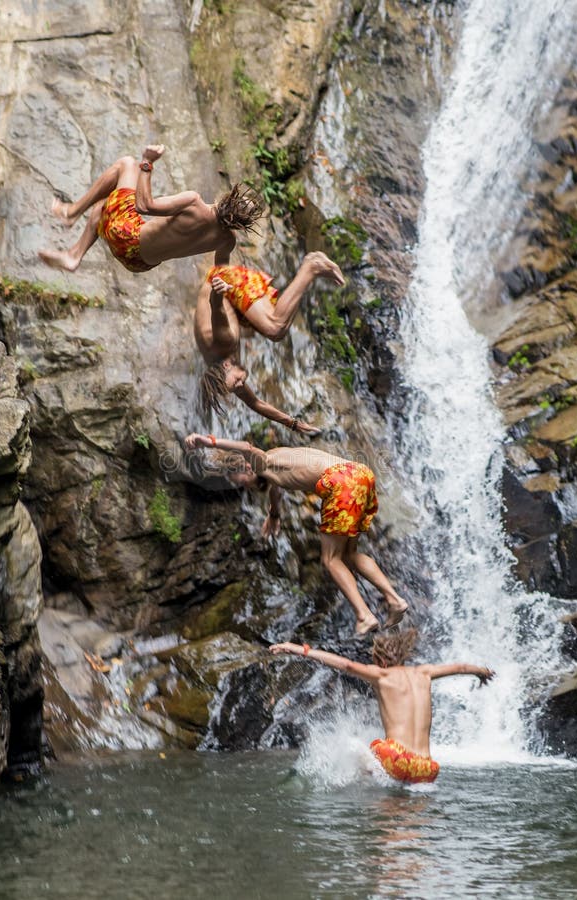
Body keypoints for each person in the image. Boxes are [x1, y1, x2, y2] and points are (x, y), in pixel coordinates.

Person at [183, 433, 408, 634]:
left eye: (239, 481)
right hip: (360, 475)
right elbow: (276, 491)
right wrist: (274, 515)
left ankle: (364, 615)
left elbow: (245, 447)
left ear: (247, 469)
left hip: (339, 485)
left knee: (330, 560)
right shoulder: (277, 461)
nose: (243, 487)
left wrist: (207, 442)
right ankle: (395, 600)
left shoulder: (261, 462)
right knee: (349, 554)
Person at [269, 632, 495, 785]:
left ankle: (365, 783)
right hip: (427, 769)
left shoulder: (382, 675)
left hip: (397, 760)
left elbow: (345, 664)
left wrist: (299, 650)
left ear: (381, 661)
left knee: (352, 746)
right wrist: (481, 671)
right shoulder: (425, 672)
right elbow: (461, 666)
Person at [38, 144, 265, 273]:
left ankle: (71, 213)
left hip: (128, 237)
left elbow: (144, 205)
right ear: (240, 224)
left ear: (229, 195)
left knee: (126, 164)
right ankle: (73, 256)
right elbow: (221, 274)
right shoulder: (227, 241)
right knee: (104, 208)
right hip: (139, 264)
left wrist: (147, 163)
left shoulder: (194, 203)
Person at [194, 252, 345, 432]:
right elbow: (256, 404)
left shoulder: (224, 342)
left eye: (236, 383)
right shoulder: (223, 373)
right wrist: (293, 423)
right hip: (229, 299)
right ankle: (310, 270)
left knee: (275, 328)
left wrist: (219, 291)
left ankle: (312, 265)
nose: (241, 385)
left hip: (221, 283)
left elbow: (216, 309)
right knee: (274, 327)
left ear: (226, 365)